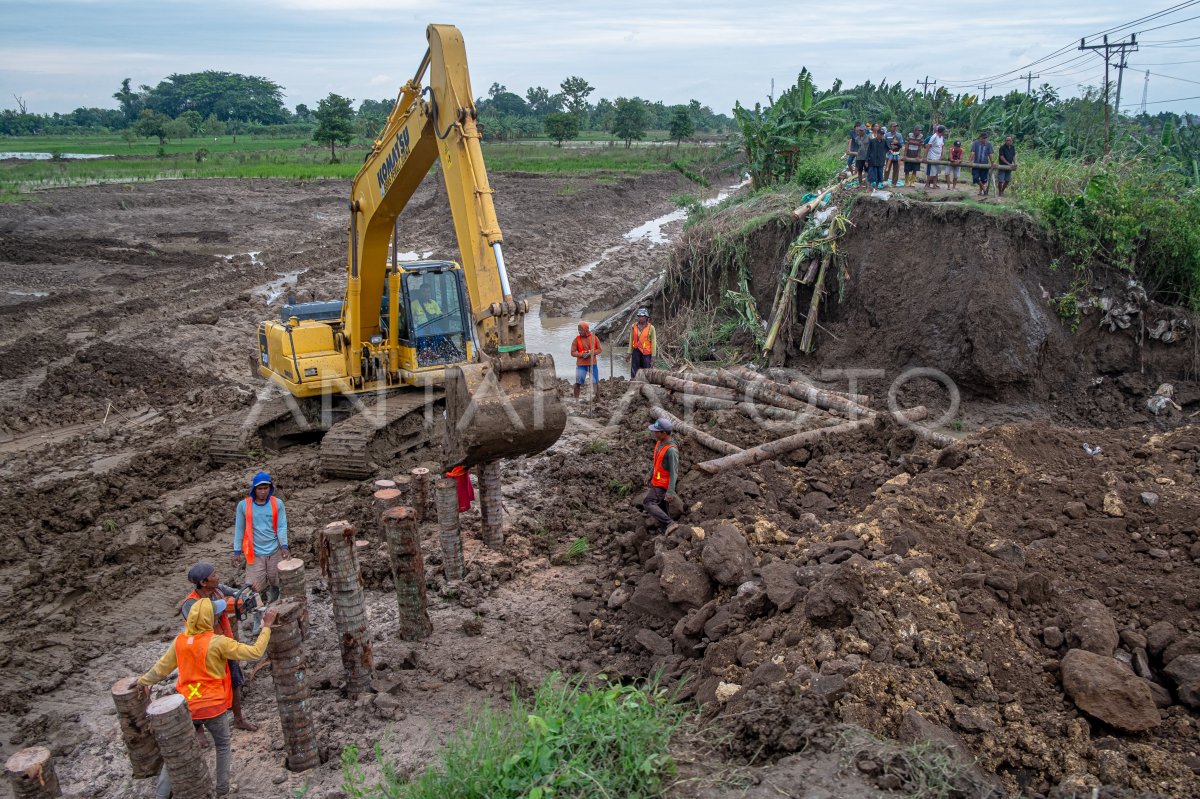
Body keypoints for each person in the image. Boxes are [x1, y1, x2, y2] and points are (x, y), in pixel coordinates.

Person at [137, 599, 278, 799]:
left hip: (187, 706)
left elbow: (161, 669)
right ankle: (222, 789)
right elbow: (255, 652)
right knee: (222, 745)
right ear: (209, 619)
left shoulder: (179, 642)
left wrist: (142, 682)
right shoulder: (218, 642)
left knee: (177, 750)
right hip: (214, 705)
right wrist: (266, 627)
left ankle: (161, 795)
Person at [181, 563, 258, 733]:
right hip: (203, 651)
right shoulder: (191, 604)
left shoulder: (217, 590)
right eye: (214, 575)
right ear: (203, 582)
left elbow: (232, 592)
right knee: (200, 690)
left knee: (235, 682)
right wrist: (232, 602)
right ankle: (199, 729)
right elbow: (218, 609)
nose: (217, 577)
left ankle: (238, 719)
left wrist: (246, 591)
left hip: (222, 644)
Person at [233, 472, 289, 604]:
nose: (263, 492)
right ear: (254, 489)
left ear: (270, 488)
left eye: (266, 488)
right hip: (255, 554)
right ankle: (258, 612)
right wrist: (236, 551)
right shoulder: (244, 505)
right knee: (254, 587)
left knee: (277, 582)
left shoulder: (277, 503)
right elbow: (239, 529)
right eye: (260, 489)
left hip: (274, 551)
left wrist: (284, 546)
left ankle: (274, 603)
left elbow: (281, 526)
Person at [643, 418, 680, 535]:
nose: (654, 433)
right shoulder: (660, 443)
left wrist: (670, 491)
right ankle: (668, 531)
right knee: (662, 506)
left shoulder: (671, 451)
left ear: (664, 433)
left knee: (648, 502)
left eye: (656, 431)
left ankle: (670, 523)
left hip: (663, 484)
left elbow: (674, 472)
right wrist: (650, 474)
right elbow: (657, 462)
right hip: (657, 480)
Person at [570, 320, 602, 401]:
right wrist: (582, 354)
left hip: (592, 363)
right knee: (578, 382)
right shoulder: (576, 340)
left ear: (586, 330)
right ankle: (576, 400)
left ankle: (598, 398)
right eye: (578, 330)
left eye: (581, 330)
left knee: (595, 382)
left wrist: (591, 352)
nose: (579, 332)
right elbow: (572, 353)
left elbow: (599, 350)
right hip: (581, 364)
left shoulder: (594, 338)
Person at [629, 307, 656, 379]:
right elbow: (631, 340)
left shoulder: (651, 328)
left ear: (646, 317)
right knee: (634, 369)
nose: (641, 318)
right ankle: (634, 381)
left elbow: (653, 342)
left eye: (643, 316)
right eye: (639, 316)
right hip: (636, 351)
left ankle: (645, 384)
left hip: (646, 353)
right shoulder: (634, 326)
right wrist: (629, 352)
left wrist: (653, 356)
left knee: (646, 370)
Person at [970, 131, 995, 196]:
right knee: (975, 178)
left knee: (983, 179)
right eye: (983, 138)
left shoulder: (989, 144)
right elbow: (973, 153)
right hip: (976, 164)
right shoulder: (975, 143)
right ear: (980, 138)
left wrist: (992, 161)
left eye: (986, 138)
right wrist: (970, 161)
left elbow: (990, 154)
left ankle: (980, 192)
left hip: (985, 164)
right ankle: (984, 189)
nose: (985, 139)